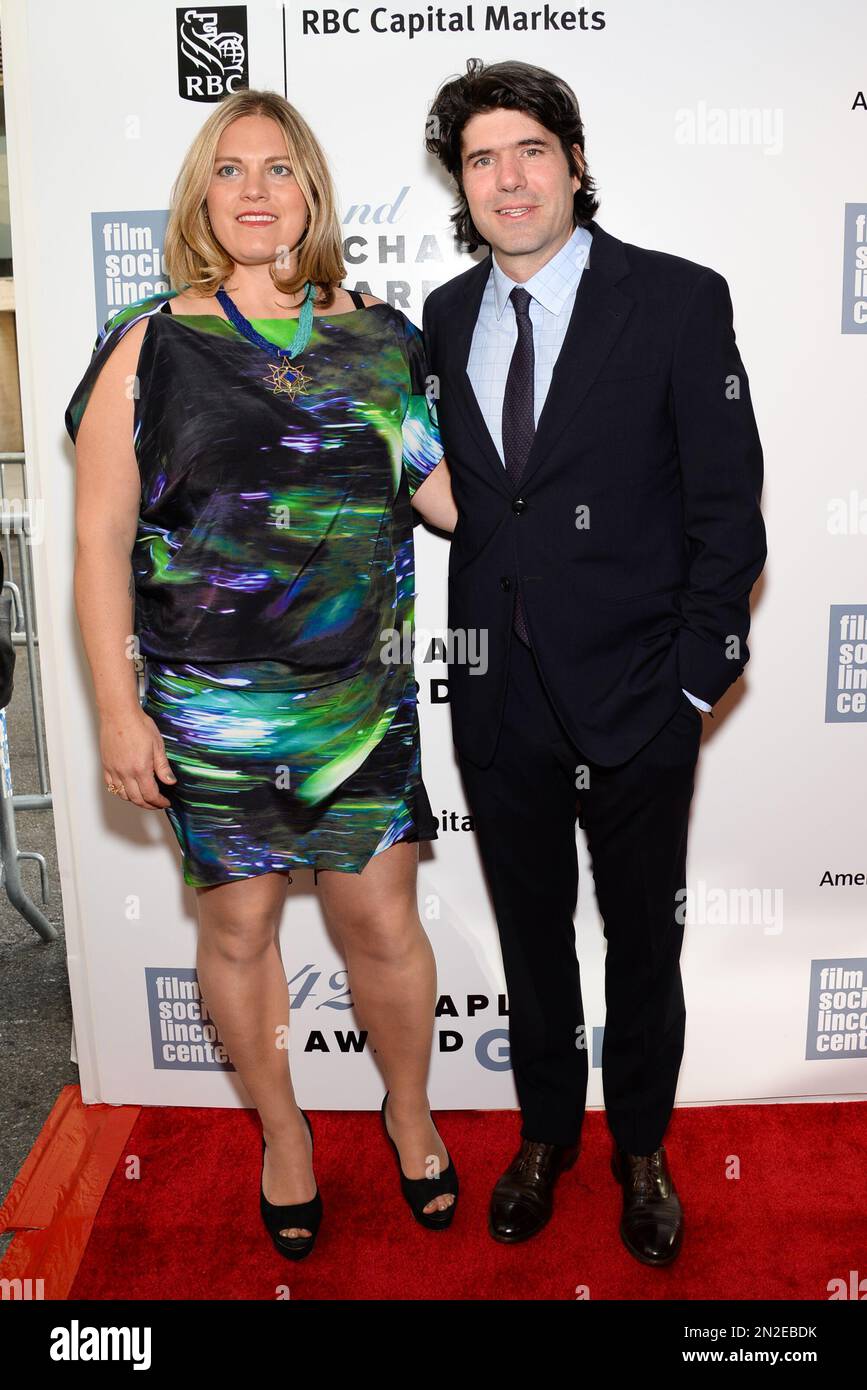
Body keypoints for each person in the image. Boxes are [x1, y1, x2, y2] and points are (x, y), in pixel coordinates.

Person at [65, 88, 460, 1260]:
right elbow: (95, 543)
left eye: (277, 169)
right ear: (201, 194)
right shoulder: (148, 341)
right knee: (238, 935)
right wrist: (117, 712)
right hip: (209, 708)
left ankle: (408, 1110)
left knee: (381, 924)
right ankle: (282, 1132)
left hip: (357, 697)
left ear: (310, 193)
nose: (253, 189)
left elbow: (448, 500)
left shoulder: (383, 338)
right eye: (229, 169)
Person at [423, 59, 767, 1263]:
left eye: (529, 151)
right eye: (480, 159)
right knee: (531, 941)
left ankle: (640, 1151)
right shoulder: (446, 316)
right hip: (501, 699)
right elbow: (471, 499)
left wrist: (688, 683)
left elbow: (730, 516)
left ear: (573, 163)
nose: (507, 179)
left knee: (643, 943)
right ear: (459, 187)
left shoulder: (674, 302)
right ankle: (543, 1138)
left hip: (637, 697)